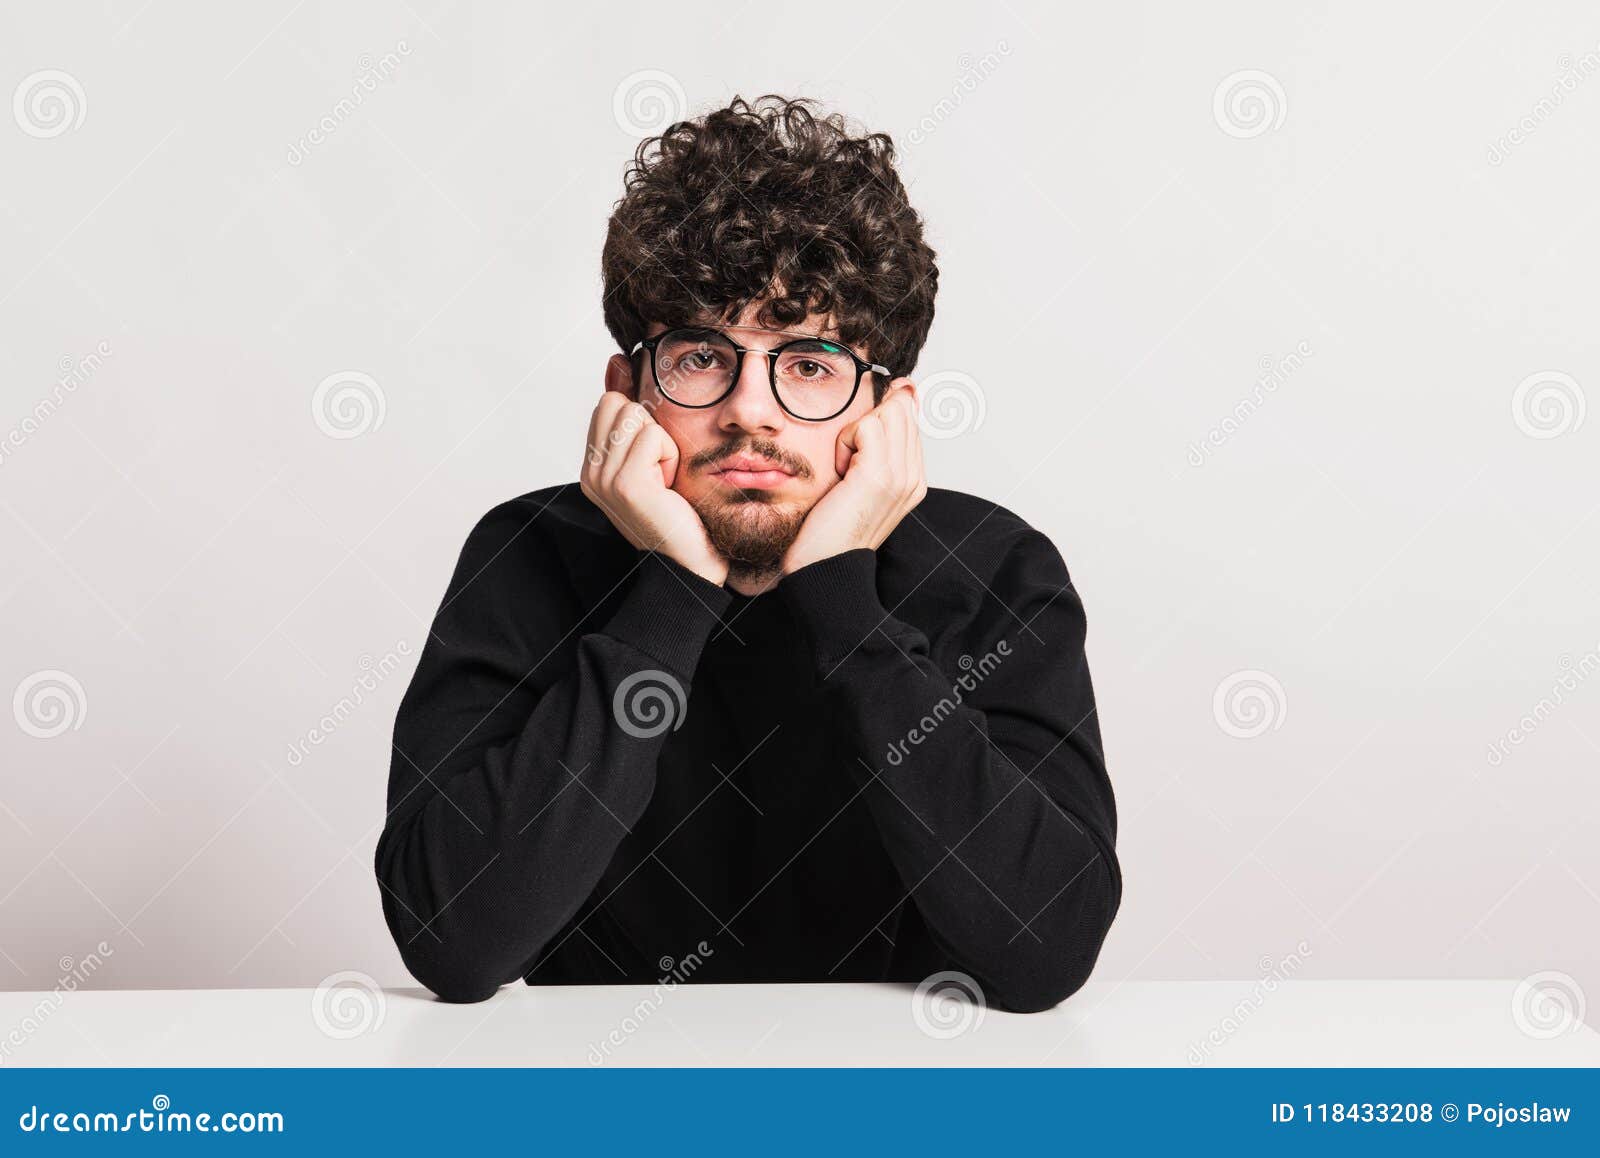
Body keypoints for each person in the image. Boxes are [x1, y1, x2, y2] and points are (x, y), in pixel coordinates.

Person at [375, 94, 1121, 1013]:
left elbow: (1046, 954)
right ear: (629, 389)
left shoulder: (994, 569)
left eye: (809, 363)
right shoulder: (529, 556)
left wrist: (843, 602)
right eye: (700, 356)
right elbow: (456, 943)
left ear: (887, 413)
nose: (749, 410)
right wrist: (675, 590)